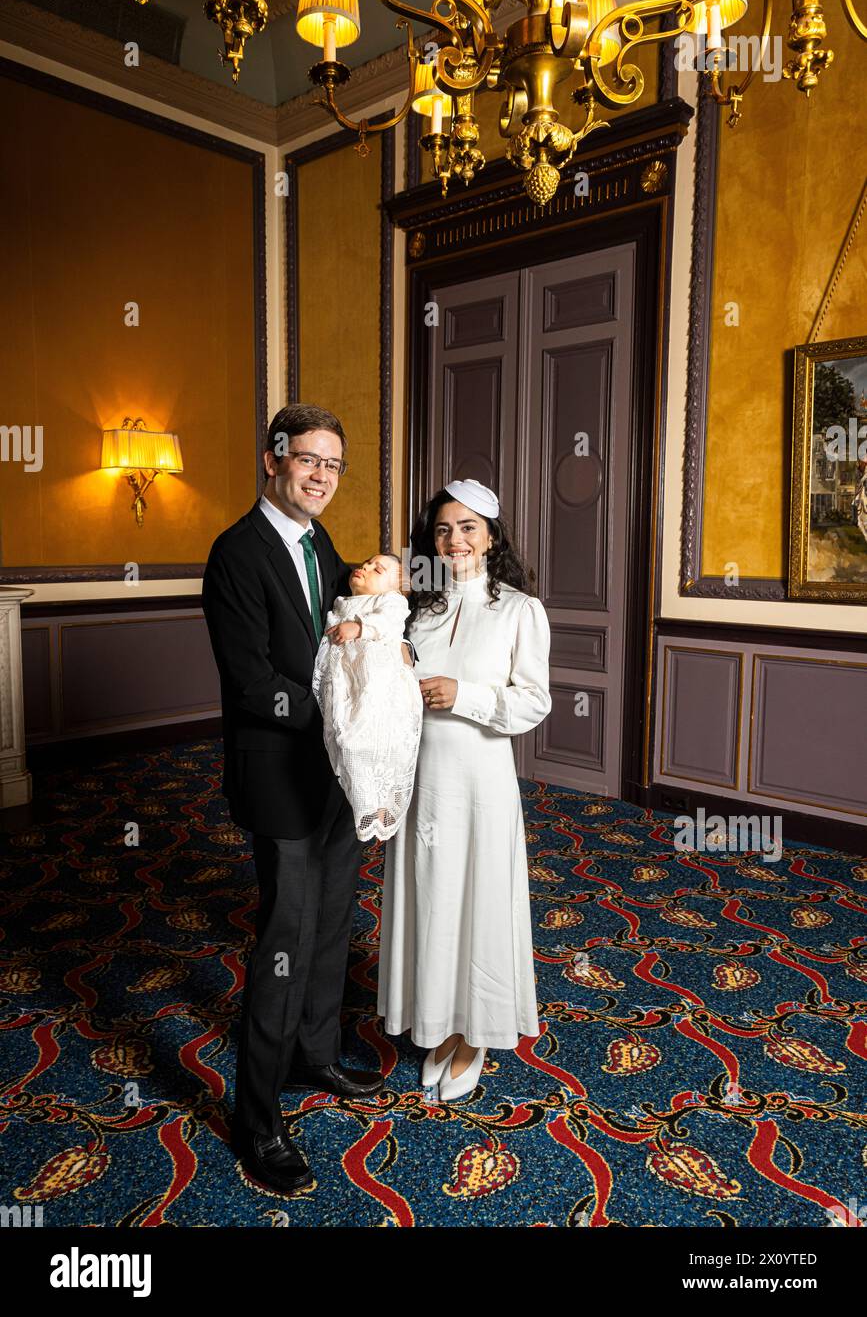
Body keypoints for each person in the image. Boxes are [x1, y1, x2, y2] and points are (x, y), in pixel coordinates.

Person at [202, 405, 412, 1197]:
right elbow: (252, 684)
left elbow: (351, 623)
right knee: (283, 942)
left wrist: (389, 648)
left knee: (331, 921)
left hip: (333, 773)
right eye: (307, 460)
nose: (321, 475)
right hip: (278, 775)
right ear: (272, 460)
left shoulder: (321, 543)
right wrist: (349, 710)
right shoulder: (235, 553)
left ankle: (315, 1054)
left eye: (333, 464)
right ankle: (256, 1115)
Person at [377, 479, 552, 1101]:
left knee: (476, 896)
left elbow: (533, 701)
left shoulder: (520, 610)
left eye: (469, 528)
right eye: (445, 529)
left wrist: (465, 696)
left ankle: (475, 1031)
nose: (455, 540)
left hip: (480, 777)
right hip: (420, 775)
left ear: (492, 538)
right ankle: (437, 1021)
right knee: (429, 894)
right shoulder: (414, 609)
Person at [312, 552, 423, 843]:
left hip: (378, 685)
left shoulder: (390, 601)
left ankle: (381, 806)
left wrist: (359, 627)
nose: (365, 568)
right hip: (346, 684)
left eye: (378, 569)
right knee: (346, 741)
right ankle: (364, 805)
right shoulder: (341, 602)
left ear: (397, 585)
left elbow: (390, 623)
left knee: (378, 742)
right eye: (366, 564)